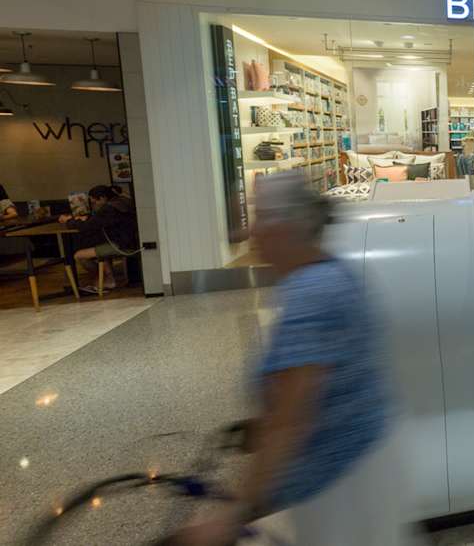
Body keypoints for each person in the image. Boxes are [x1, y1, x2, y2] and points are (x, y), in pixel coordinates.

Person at [176, 172, 397, 546]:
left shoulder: (312, 296)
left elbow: (291, 420)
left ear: (285, 227)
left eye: (261, 218)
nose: (253, 233)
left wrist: (232, 516)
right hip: (357, 471)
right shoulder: (330, 273)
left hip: (336, 485)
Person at [58, 185, 137, 293]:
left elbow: (87, 226)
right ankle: (107, 279)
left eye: (94, 202)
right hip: (129, 241)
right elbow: (97, 221)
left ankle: (105, 279)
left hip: (119, 244)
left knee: (79, 255)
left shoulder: (109, 208)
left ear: (102, 198)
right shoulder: (122, 202)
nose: (94, 205)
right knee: (97, 248)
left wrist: (69, 221)